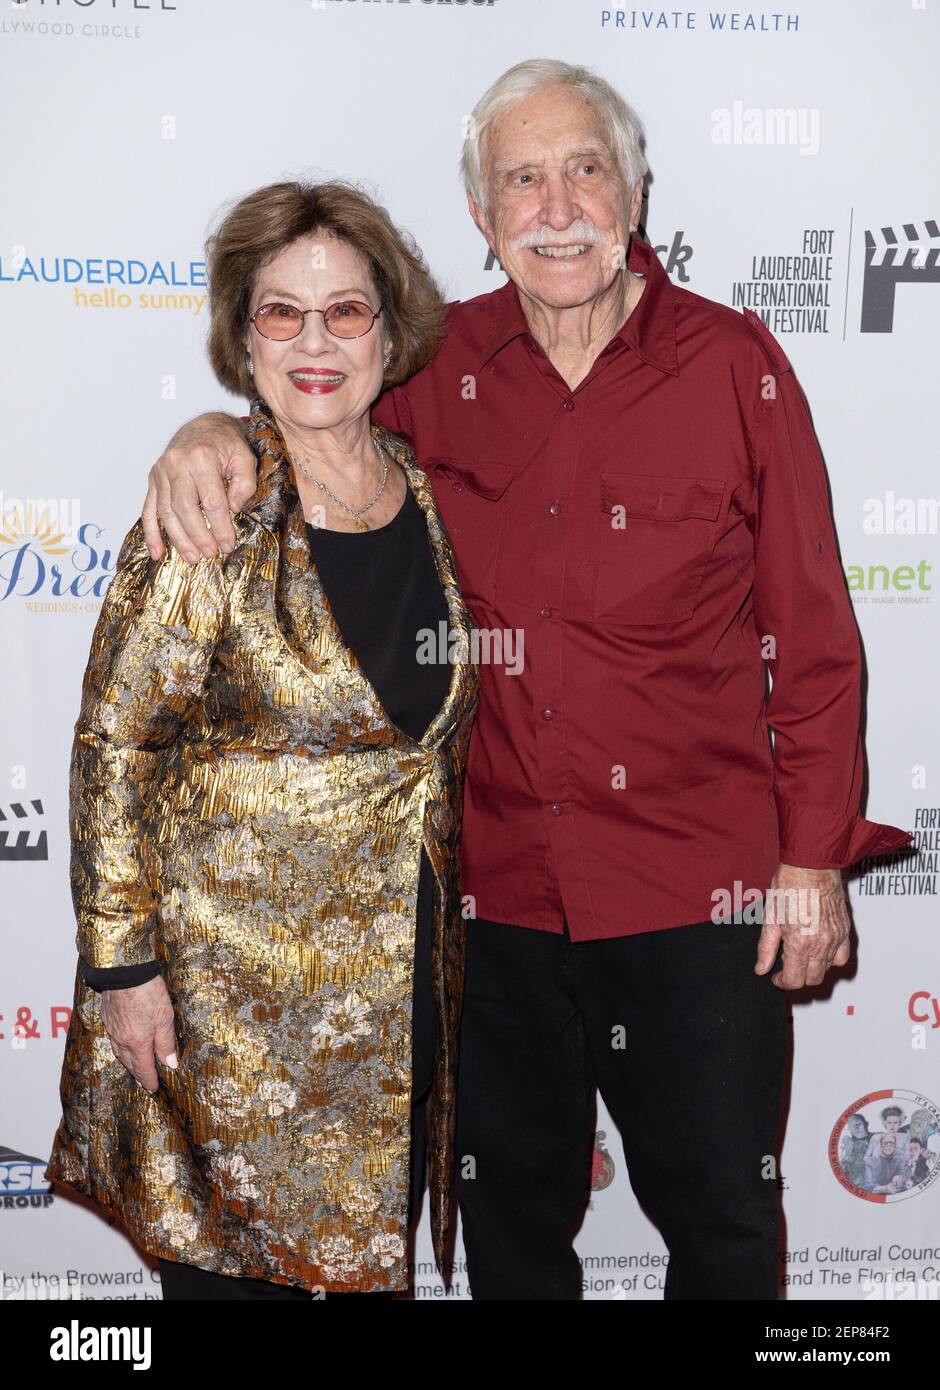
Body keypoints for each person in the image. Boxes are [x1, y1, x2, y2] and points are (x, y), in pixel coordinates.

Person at [134, 60, 915, 1300]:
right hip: (486, 906)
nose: (558, 206)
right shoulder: (434, 367)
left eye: (585, 170)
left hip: (694, 893)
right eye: (522, 181)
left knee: (722, 1226)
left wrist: (810, 862)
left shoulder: (734, 365)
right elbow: (304, 406)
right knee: (509, 1238)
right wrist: (209, 431)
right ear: (484, 218)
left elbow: (814, 639)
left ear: (637, 191)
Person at [44, 180, 480, 1299]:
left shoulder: (426, 496)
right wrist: (125, 972)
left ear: (391, 330)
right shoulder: (212, 509)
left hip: (392, 1002)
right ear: (243, 337)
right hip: (223, 1018)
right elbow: (115, 748)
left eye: (346, 311)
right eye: (282, 313)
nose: (316, 341)